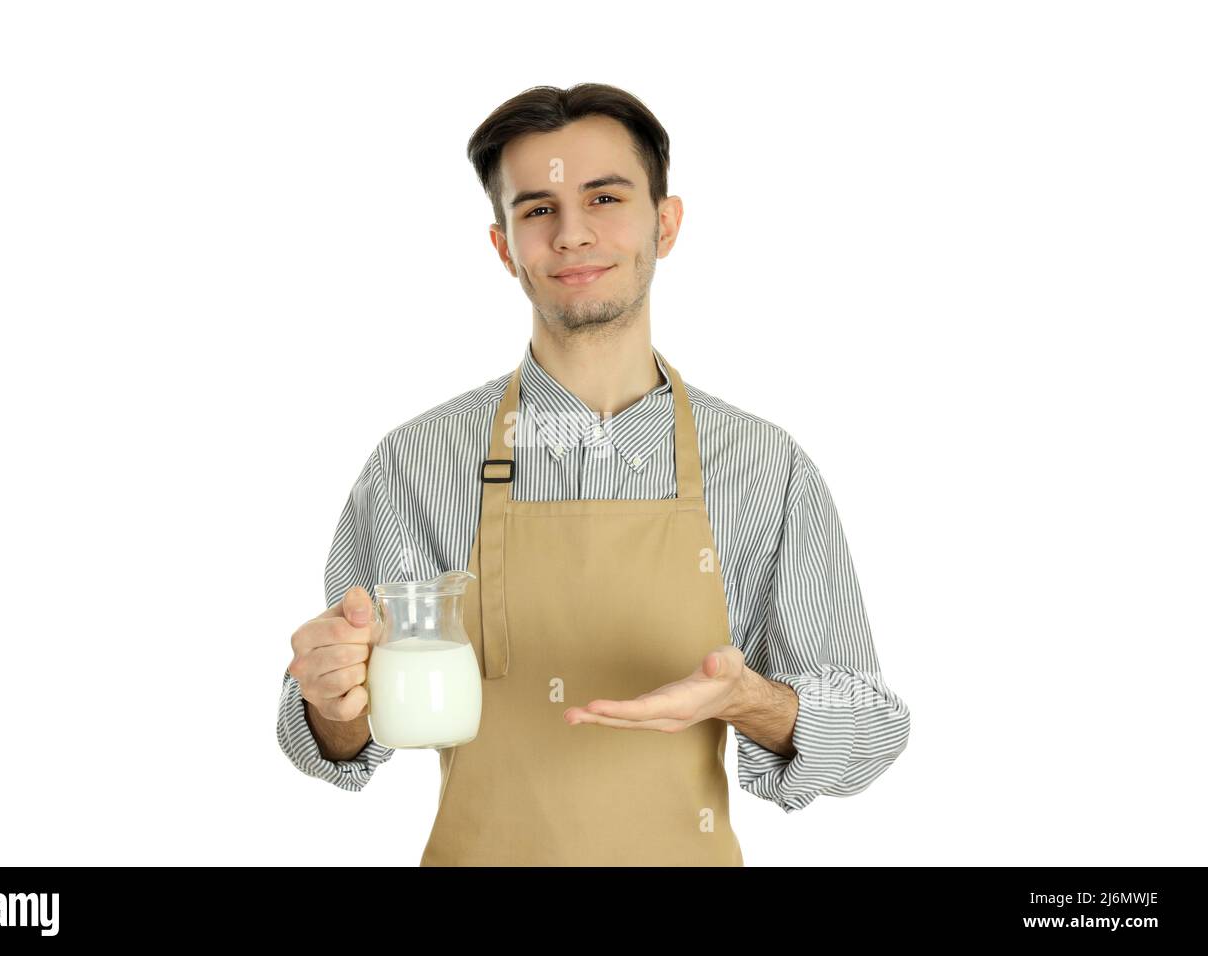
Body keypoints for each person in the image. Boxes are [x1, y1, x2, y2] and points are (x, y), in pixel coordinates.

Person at [278, 82, 910, 866]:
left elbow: (872, 730)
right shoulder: (414, 463)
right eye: (537, 209)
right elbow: (335, 741)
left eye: (604, 197)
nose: (572, 234)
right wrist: (329, 699)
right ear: (504, 246)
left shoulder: (763, 468)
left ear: (665, 223)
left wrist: (754, 701)